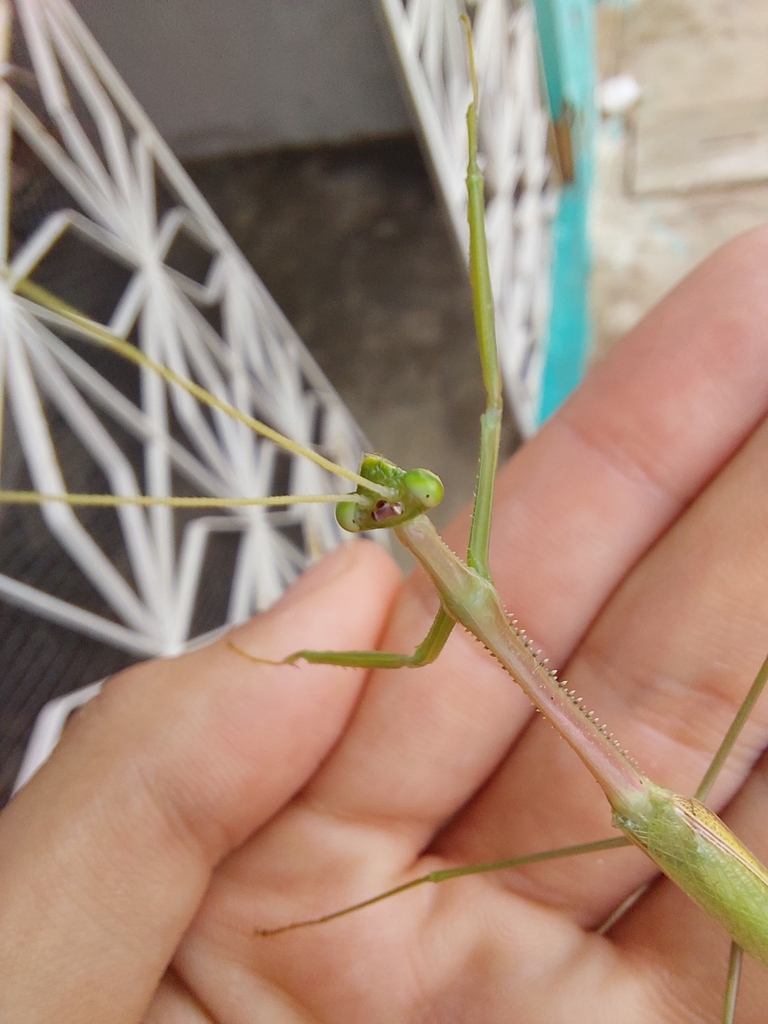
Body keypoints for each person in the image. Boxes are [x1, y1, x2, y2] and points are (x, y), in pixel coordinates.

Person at [2, 226, 768, 1023]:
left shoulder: (444, 619)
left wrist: (298, 652)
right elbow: (491, 415)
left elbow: (489, 420)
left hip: (664, 821)